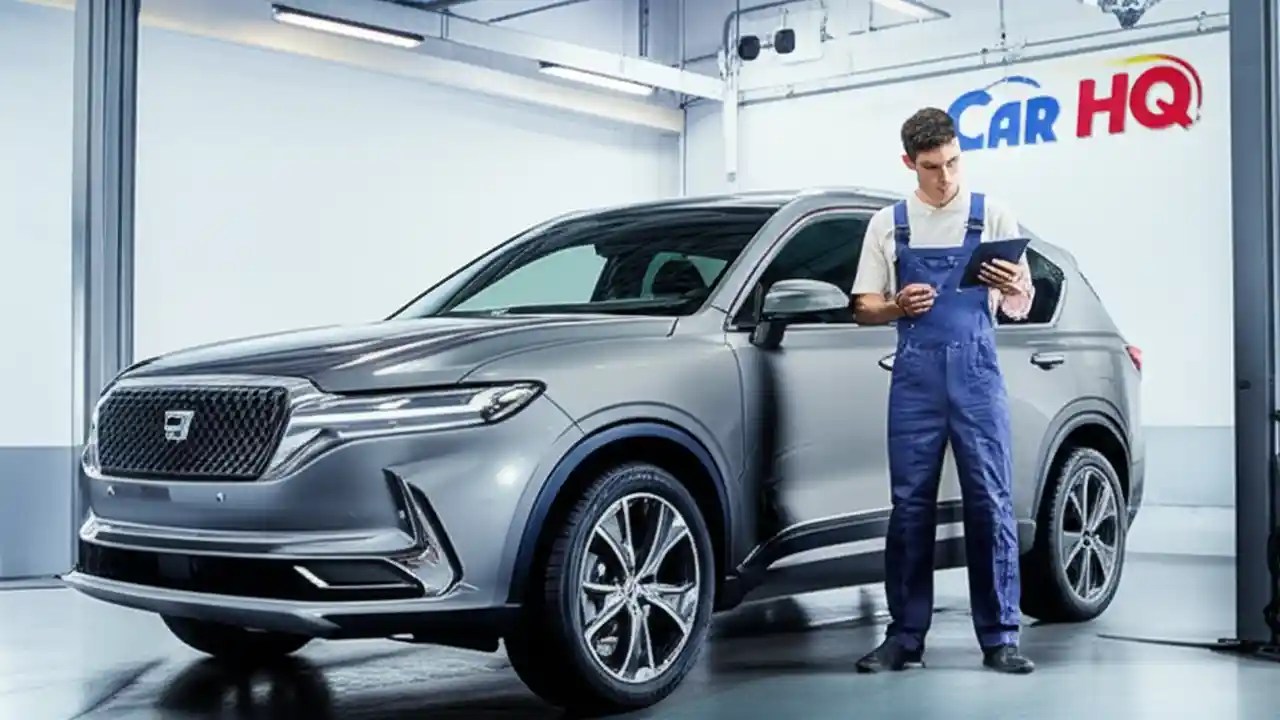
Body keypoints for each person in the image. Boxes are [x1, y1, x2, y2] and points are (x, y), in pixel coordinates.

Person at [850, 107, 1037, 675]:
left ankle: (1001, 637)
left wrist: (1011, 286)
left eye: (954, 162)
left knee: (991, 502)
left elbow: (1021, 304)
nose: (947, 177)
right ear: (910, 163)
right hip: (915, 378)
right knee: (909, 508)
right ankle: (905, 636)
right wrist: (897, 305)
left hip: (978, 375)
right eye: (932, 166)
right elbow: (863, 309)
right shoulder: (889, 224)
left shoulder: (993, 214)